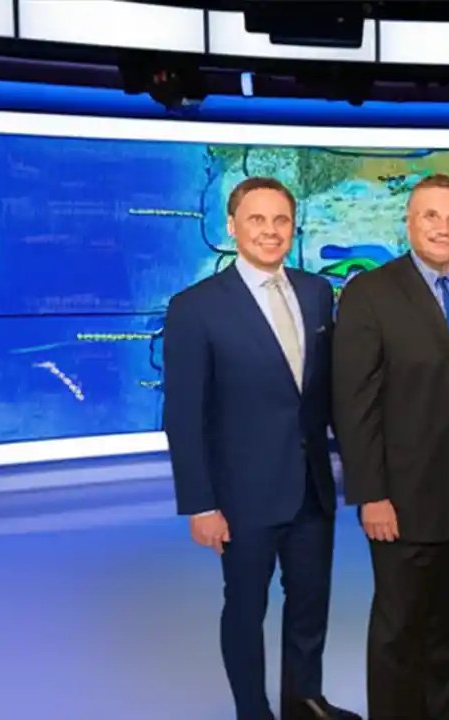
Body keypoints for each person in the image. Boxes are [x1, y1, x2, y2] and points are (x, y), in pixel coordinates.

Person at [162, 177, 359, 720]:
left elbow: (322, 392)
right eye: (257, 219)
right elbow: (183, 416)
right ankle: (253, 711)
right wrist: (200, 504)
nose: (270, 231)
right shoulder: (195, 307)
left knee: (310, 603)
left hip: (310, 488)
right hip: (242, 495)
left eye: (280, 221)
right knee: (246, 610)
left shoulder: (317, 292)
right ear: (232, 226)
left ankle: (304, 701)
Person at [331, 173, 449, 720]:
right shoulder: (371, 292)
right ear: (409, 222)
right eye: (431, 216)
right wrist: (371, 494)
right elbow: (354, 404)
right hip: (402, 495)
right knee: (400, 627)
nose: (444, 228)